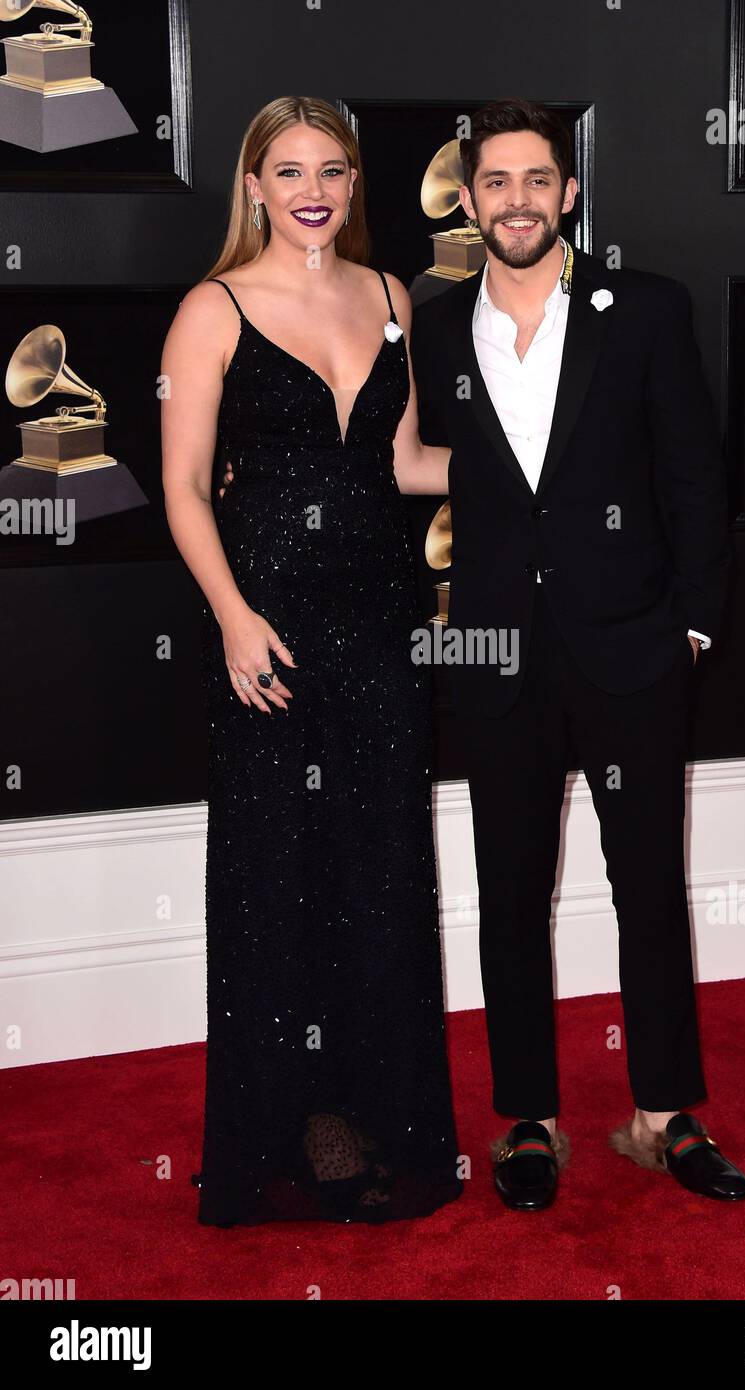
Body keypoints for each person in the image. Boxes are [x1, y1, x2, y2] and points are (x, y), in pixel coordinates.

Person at [411, 98, 745, 1210]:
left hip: (634, 651)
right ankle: (529, 1121)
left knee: (649, 887)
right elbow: (433, 472)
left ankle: (662, 1115)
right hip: (501, 658)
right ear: (468, 202)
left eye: (536, 179)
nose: (516, 199)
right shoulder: (432, 321)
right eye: (494, 182)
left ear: (567, 193)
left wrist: (691, 623)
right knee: (511, 893)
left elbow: (694, 478)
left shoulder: (644, 310)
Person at [161, 95, 462, 1225]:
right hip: (270, 625)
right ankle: (281, 1131)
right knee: (274, 883)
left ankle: (372, 1112)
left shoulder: (388, 296)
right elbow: (184, 490)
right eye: (286, 170)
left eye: (329, 168)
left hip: (379, 621)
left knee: (379, 873)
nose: (311, 189)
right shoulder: (213, 309)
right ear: (252, 186)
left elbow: (405, 460)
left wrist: (539, 460)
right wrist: (233, 616)